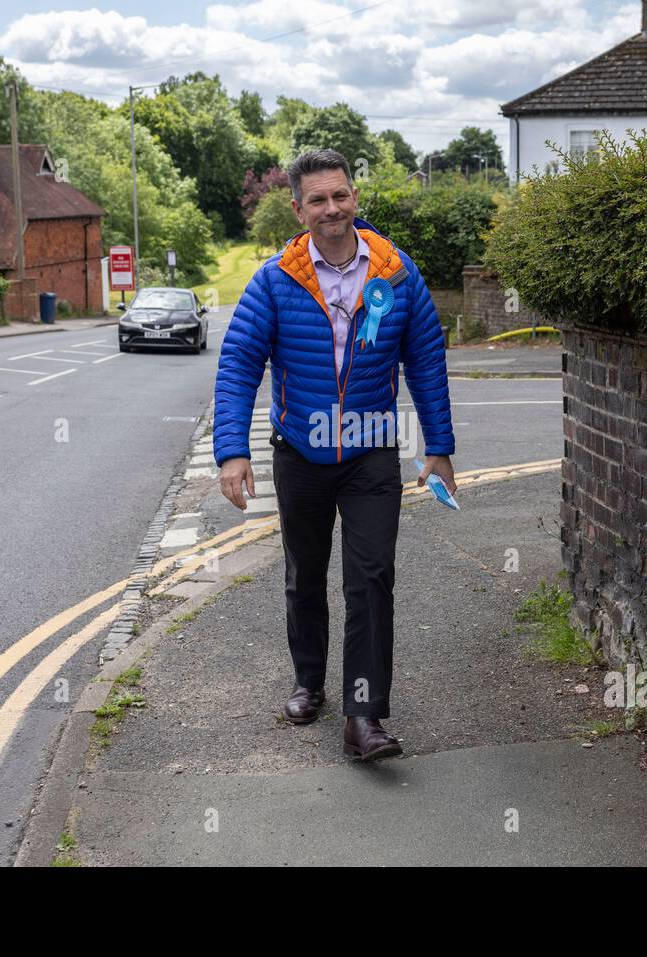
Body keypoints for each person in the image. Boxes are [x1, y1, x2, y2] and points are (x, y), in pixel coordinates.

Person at [212, 148, 456, 761]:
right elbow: (240, 362)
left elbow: (425, 359)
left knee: (371, 578)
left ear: (354, 197)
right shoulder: (276, 277)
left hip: (372, 449)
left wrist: (440, 447)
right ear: (298, 208)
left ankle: (363, 717)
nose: (332, 208)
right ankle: (309, 678)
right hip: (300, 451)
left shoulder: (396, 272)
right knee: (304, 574)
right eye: (317, 199)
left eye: (340, 195)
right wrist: (231, 451)